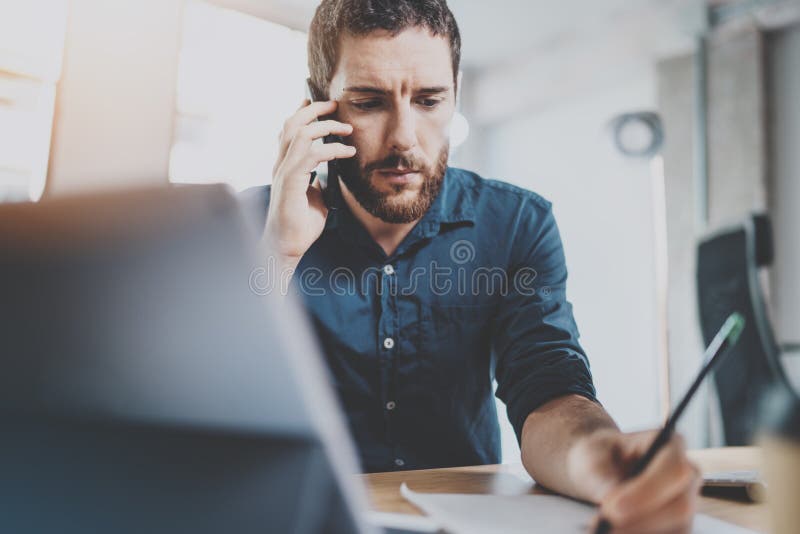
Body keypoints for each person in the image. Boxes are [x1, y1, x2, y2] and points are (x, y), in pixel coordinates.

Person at [244, 1, 701, 531]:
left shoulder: (516, 224)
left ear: (455, 92)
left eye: (430, 100)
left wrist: (596, 460)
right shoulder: (249, 227)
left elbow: (548, 383)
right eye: (368, 102)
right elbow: (208, 413)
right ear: (319, 105)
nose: (404, 139)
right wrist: (279, 253)